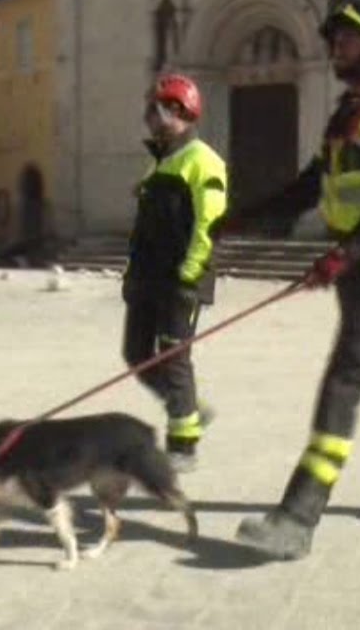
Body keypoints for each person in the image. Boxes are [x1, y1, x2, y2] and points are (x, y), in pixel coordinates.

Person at [228, 0, 360, 559]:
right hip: (354, 264)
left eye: (346, 39)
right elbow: (310, 185)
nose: (336, 48)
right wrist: (246, 218)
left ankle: (298, 518)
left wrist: (344, 254)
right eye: (334, 40)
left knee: (344, 379)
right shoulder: (344, 114)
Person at [122, 73, 228, 473]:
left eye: (157, 108)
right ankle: (189, 408)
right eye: (149, 107)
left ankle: (183, 445)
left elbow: (209, 224)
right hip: (147, 279)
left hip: (180, 280)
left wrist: (190, 274)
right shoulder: (159, 163)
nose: (149, 116)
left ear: (179, 110)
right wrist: (132, 274)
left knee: (173, 358)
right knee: (136, 355)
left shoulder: (203, 161)